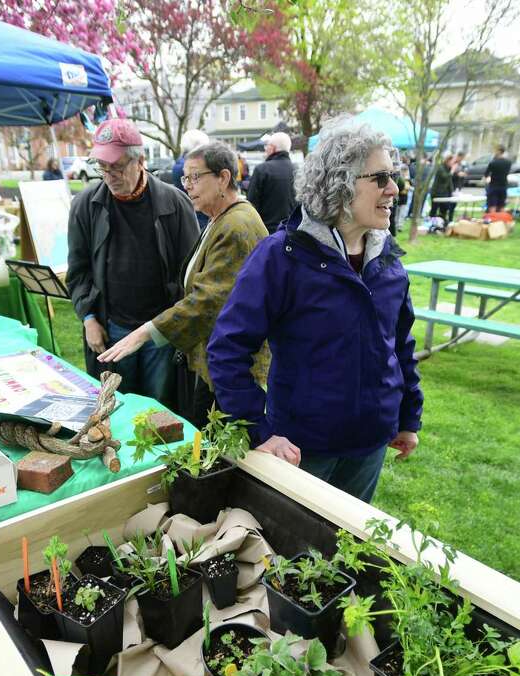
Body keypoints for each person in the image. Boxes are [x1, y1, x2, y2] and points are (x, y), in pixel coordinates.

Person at [208, 123, 423, 503]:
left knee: (348, 539)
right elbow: (227, 349)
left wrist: (407, 417)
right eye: (381, 178)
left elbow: (399, 344)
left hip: (371, 443)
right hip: (301, 448)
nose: (394, 189)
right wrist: (259, 429)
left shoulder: (387, 257)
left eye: (394, 176)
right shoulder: (282, 257)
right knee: (294, 540)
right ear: (340, 184)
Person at [97, 141, 268, 427]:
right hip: (221, 363)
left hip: (233, 370)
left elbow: (208, 300)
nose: (187, 186)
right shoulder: (222, 218)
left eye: (195, 177)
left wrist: (145, 332)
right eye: (185, 178)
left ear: (223, 178)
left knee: (214, 445)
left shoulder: (236, 225)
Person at [66, 118, 197, 407]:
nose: (109, 176)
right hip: (111, 328)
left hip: (159, 331)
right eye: (103, 167)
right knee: (116, 407)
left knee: (158, 409)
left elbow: (190, 274)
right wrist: (88, 318)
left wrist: (174, 326)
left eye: (117, 167)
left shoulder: (176, 204)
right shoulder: (85, 205)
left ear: (140, 161)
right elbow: (78, 271)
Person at [246, 131, 297, 233]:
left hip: (266, 232)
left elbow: (251, 206)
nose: (265, 149)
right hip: (292, 232)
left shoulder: (262, 170)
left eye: (267, 145)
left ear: (273, 148)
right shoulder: (298, 170)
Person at [428, 156, 455, 230]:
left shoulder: (448, 169)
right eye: (452, 162)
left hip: (444, 194)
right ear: (448, 161)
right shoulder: (441, 168)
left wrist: (452, 191)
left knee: (444, 209)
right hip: (436, 193)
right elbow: (444, 177)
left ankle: (442, 225)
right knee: (434, 210)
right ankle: (430, 225)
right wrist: (452, 171)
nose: (452, 163)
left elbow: (449, 181)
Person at [485, 145, 513, 212]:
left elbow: (486, 174)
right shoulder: (508, 162)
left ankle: (493, 217)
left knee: (492, 205)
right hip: (503, 185)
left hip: (494, 185)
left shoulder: (493, 163)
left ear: (498, 151)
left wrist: (488, 179)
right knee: (502, 205)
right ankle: (501, 217)